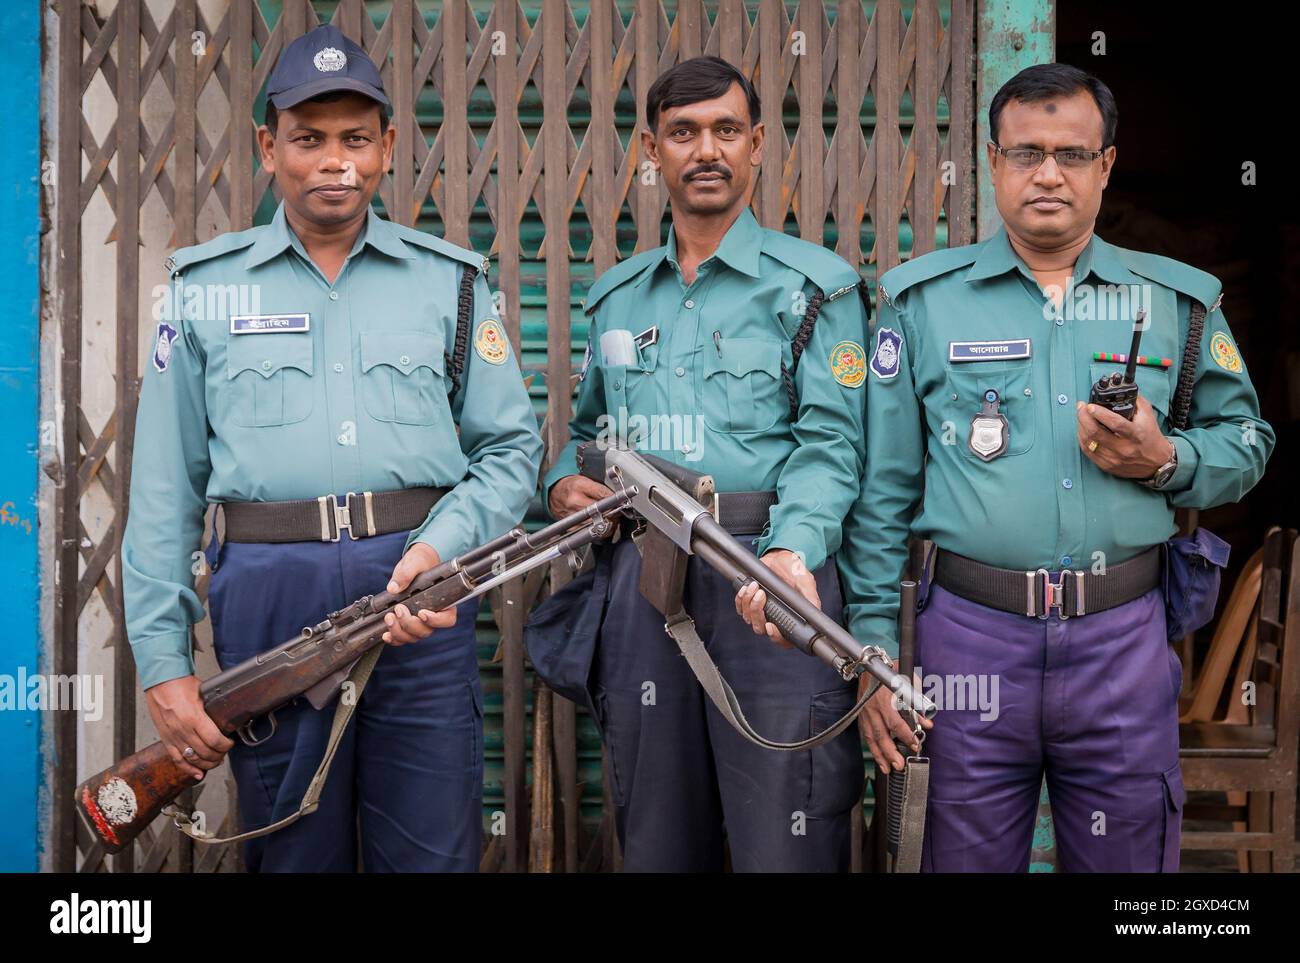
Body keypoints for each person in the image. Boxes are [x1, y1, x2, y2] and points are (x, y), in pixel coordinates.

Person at [121, 24, 543, 872]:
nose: (333, 162)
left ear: (388, 146)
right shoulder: (205, 290)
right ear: (268, 147)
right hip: (269, 600)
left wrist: (441, 548)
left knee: (430, 850)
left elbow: (510, 449)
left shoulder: (450, 283)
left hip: (417, 595)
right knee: (291, 852)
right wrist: (164, 661)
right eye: (308, 139)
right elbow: (165, 487)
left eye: (355, 139)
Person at [839, 63, 1273, 872]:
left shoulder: (1175, 304)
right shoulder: (920, 303)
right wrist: (872, 643)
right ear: (992, 161)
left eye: (1071, 154)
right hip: (967, 641)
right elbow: (882, 491)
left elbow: (1248, 442)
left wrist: (1168, 460)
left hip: (1122, 639)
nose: (1048, 173)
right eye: (1026, 152)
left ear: (1105, 165)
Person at [542, 56, 869, 872]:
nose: (707, 150)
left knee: (785, 837)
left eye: (726, 130)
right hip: (642, 582)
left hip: (766, 578)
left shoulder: (815, 289)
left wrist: (790, 551)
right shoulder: (617, 299)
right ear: (651, 151)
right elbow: (587, 433)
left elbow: (832, 446)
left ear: (757, 143)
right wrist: (563, 483)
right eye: (683, 133)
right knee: (657, 835)